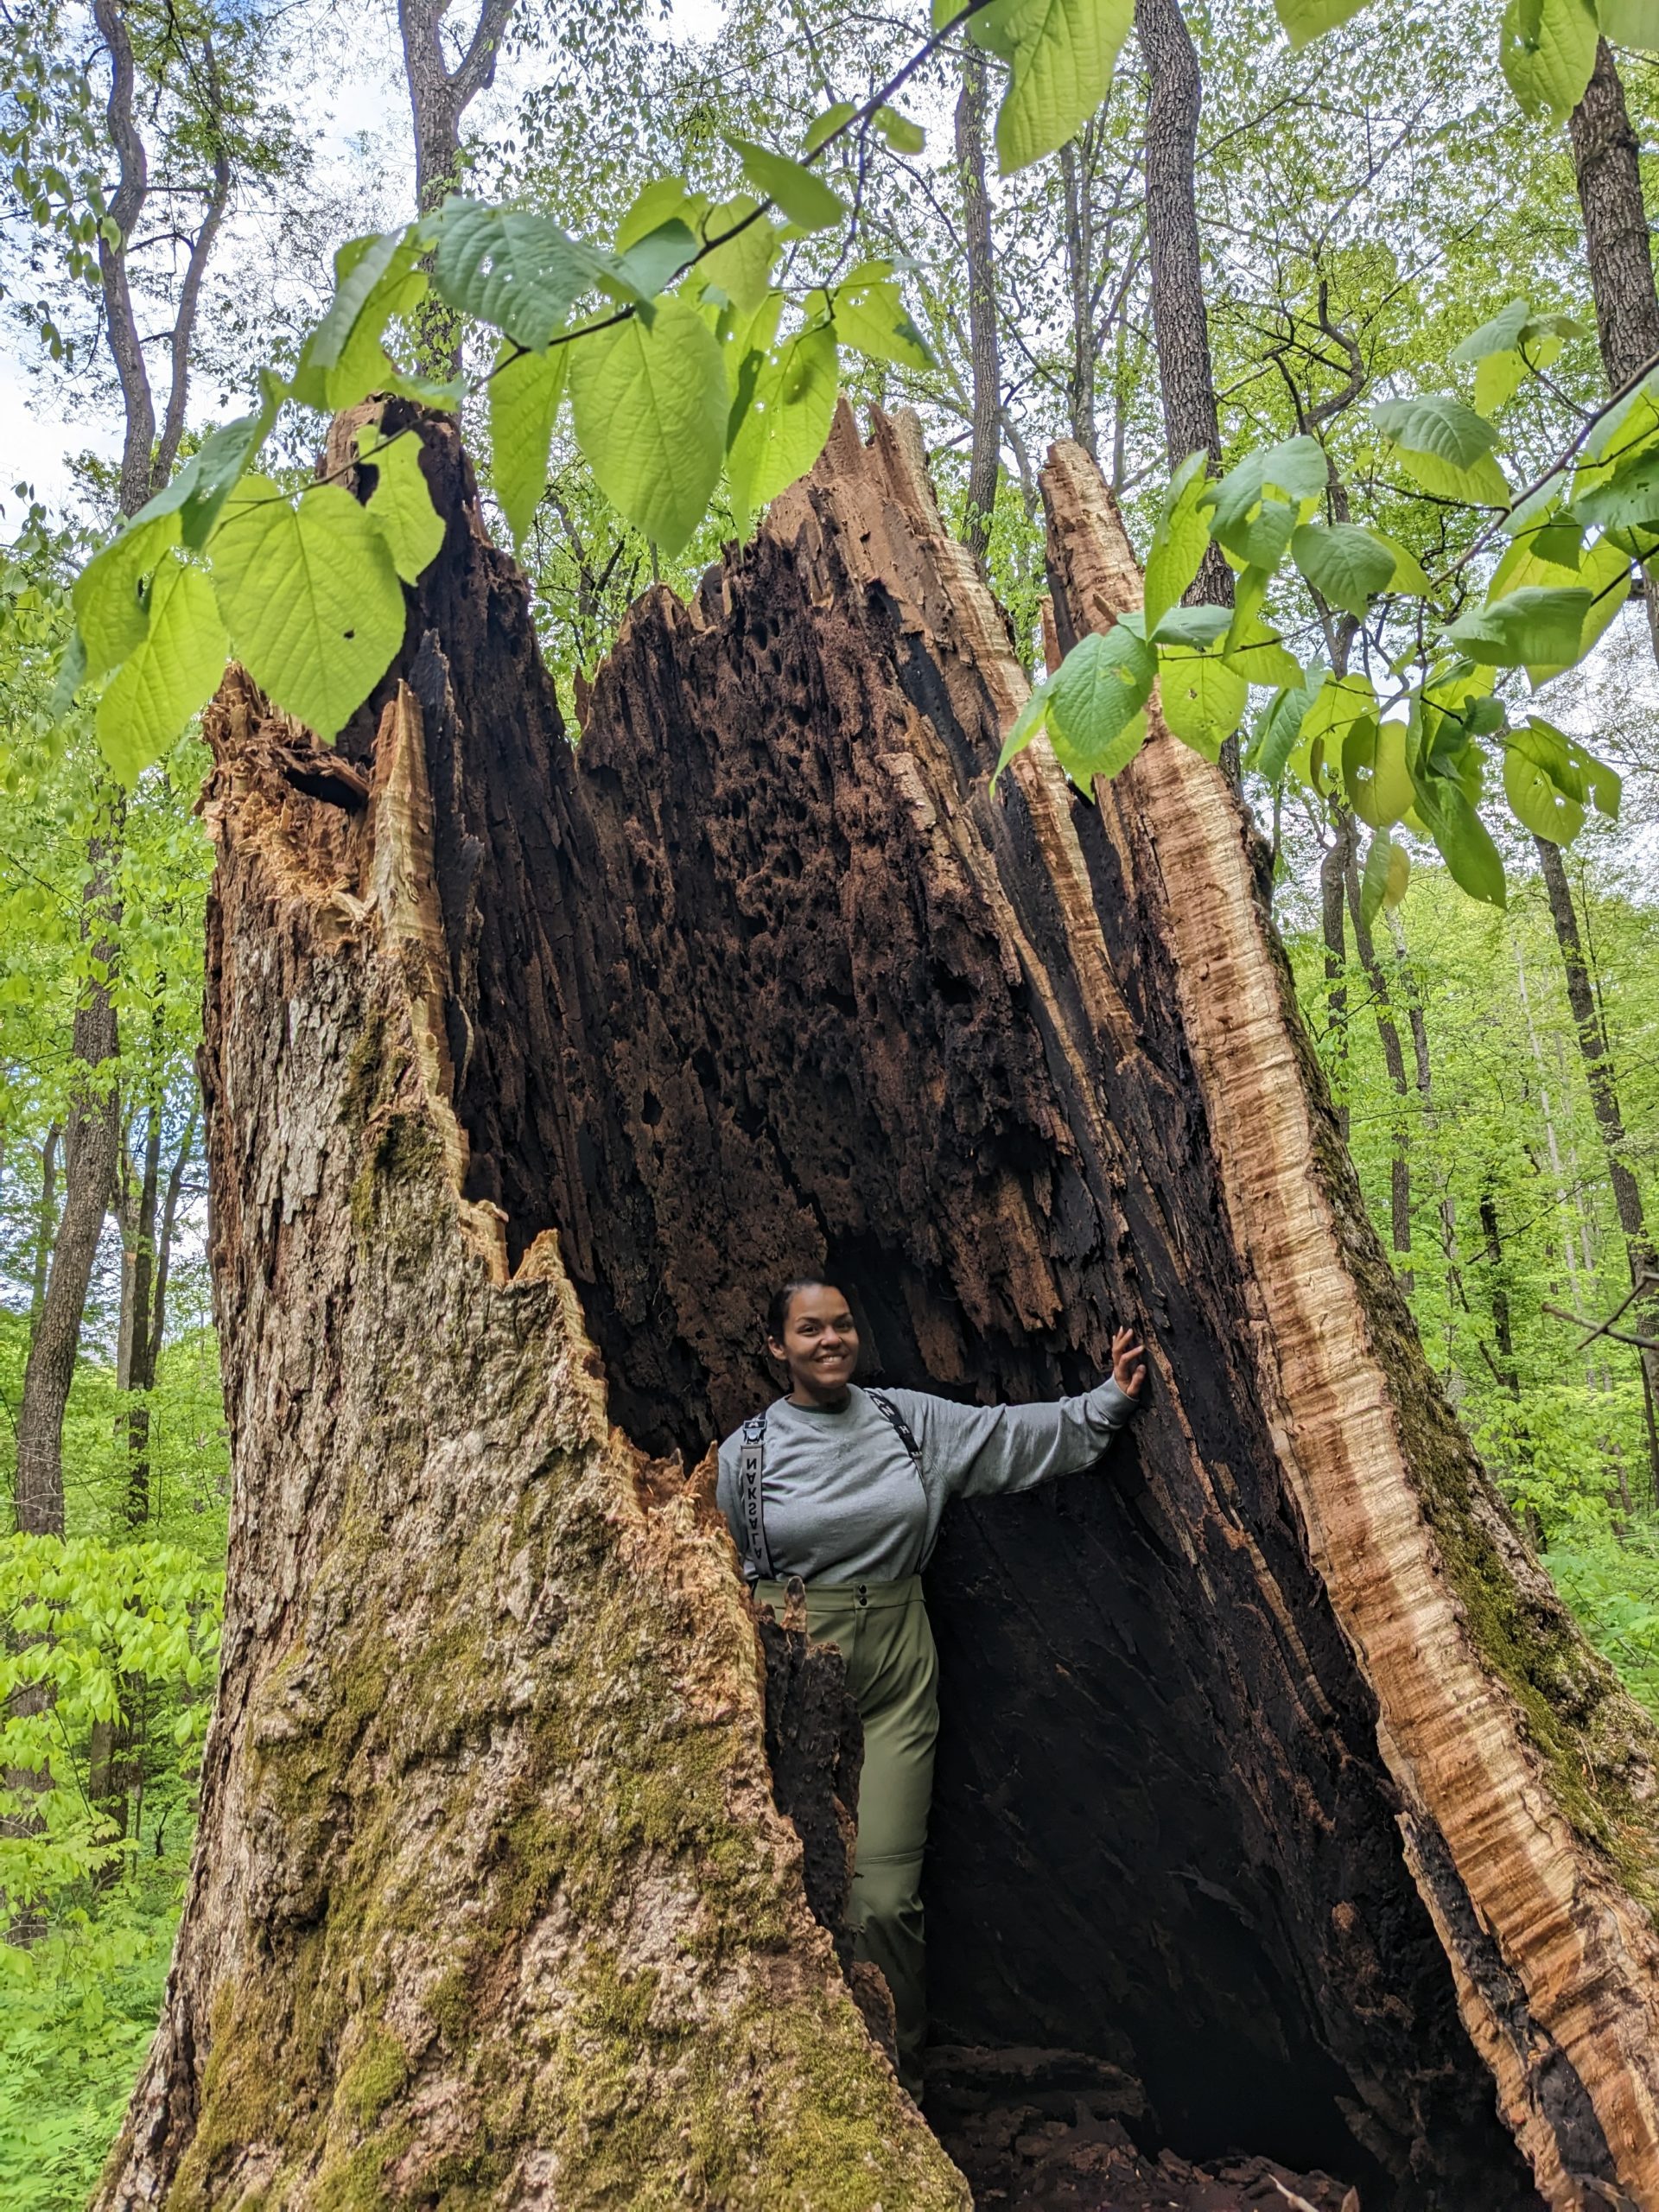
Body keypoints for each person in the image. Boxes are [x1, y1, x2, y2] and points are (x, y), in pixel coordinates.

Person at [715, 1277, 1145, 2101]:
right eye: (810, 1329)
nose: (832, 1340)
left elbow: (1008, 1436)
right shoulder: (746, 1457)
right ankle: (793, 2090)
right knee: (781, 1887)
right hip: (791, 1674)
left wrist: (1106, 1404)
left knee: (883, 1899)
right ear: (777, 1346)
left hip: (897, 1667)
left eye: (843, 1324)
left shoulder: (907, 1422)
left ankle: (895, 2091)